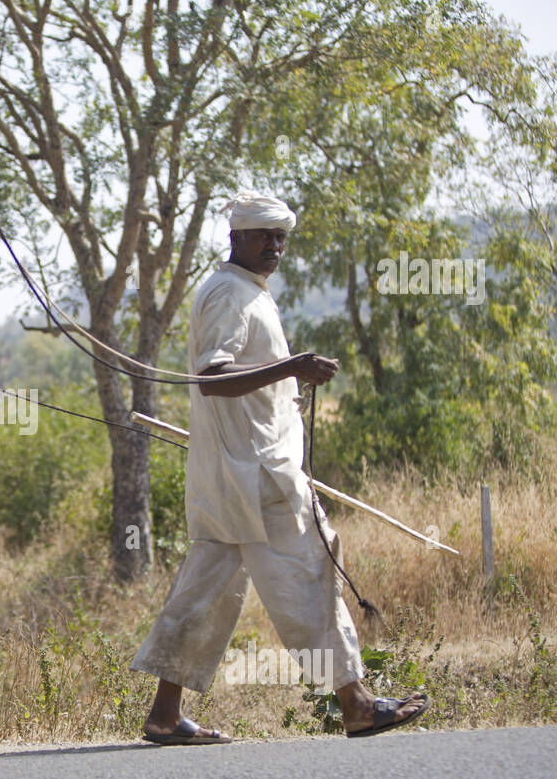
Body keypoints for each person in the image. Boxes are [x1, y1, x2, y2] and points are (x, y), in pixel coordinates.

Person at [130, 191, 429, 743]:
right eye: (263, 234)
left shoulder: (247, 293)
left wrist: (287, 381)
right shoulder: (230, 295)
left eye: (280, 236)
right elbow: (212, 378)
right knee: (310, 573)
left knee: (205, 593)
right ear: (235, 237)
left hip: (231, 477)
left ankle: (165, 715)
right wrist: (294, 367)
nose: (274, 244)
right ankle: (357, 703)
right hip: (258, 478)